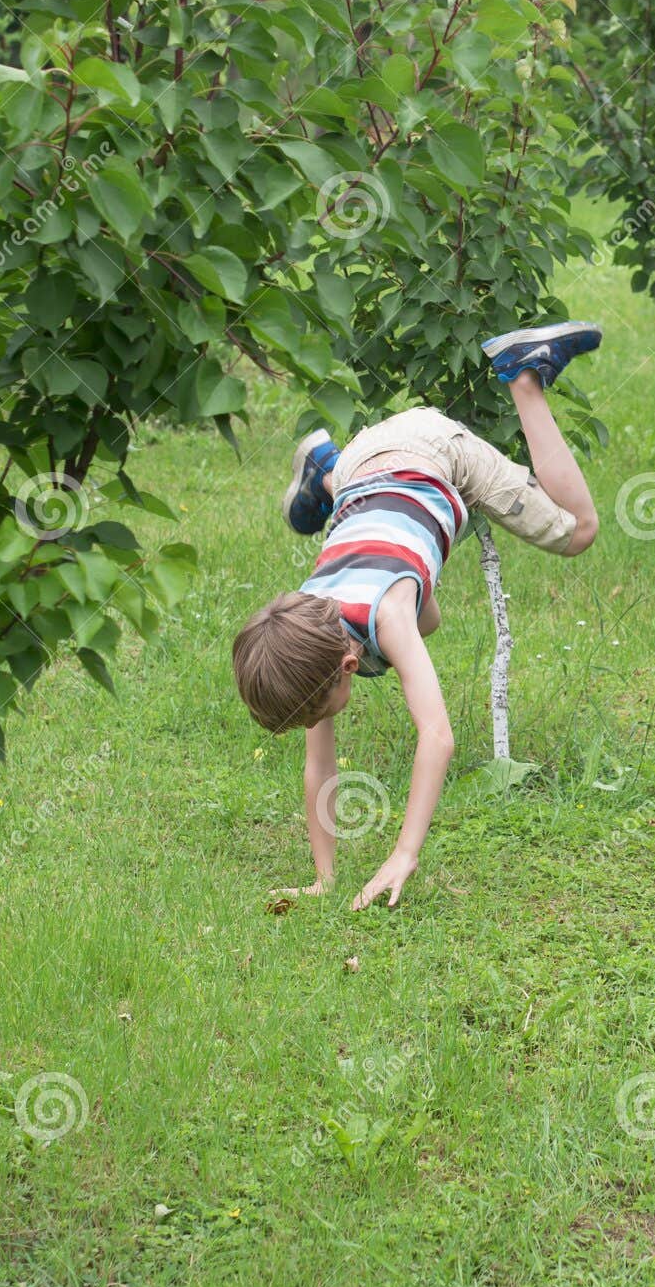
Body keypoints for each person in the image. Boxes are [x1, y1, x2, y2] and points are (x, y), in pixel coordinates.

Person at [232, 322, 602, 910]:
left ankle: (524, 373)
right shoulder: (308, 618)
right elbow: (319, 764)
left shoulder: (387, 618)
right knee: (425, 618)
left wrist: (404, 854)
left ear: (348, 662)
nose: (314, 730)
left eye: (312, 716)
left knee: (576, 531)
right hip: (364, 467)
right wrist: (324, 878)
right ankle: (324, 470)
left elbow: (438, 737)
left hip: (435, 449)